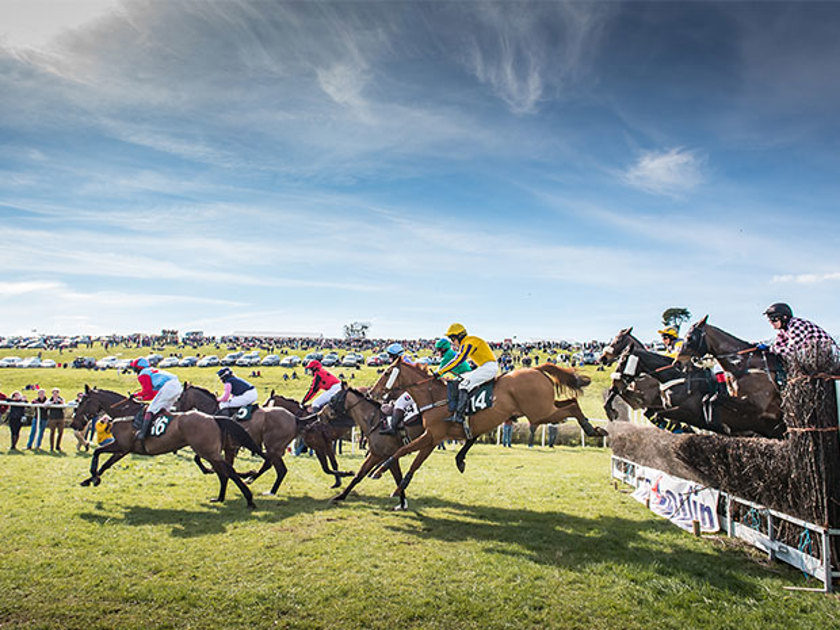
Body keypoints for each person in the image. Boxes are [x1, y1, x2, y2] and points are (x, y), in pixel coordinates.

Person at [433, 323, 499, 427]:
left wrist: (440, 372)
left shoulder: (469, 343)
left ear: (458, 337)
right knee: (458, 381)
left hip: (488, 367)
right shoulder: (468, 342)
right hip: (484, 367)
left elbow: (458, 360)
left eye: (452, 339)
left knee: (463, 385)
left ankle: (459, 416)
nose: (452, 342)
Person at [758, 303, 838, 364]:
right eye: (769, 320)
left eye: (773, 319)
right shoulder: (784, 330)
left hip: (829, 353)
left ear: (784, 318)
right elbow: (778, 345)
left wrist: (770, 349)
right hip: (814, 354)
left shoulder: (796, 325)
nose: (771, 322)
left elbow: (792, 351)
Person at [130, 357, 183, 444]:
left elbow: (147, 392)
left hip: (169, 386)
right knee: (163, 410)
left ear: (138, 368)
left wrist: (136, 395)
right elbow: (152, 395)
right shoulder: (151, 371)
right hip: (176, 386)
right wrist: (140, 398)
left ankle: (143, 433)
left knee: (150, 410)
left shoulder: (143, 374)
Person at [46, 388, 65, 452]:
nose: (55, 394)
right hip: (52, 418)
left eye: (56, 392)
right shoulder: (49, 399)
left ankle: (57, 446)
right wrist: (52, 402)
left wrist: (61, 402)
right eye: (54, 392)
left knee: (60, 432)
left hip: (60, 418)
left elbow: (64, 406)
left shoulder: (61, 399)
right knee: (52, 432)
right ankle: (51, 447)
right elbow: (46, 405)